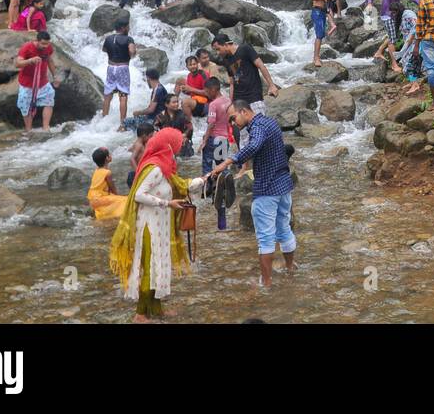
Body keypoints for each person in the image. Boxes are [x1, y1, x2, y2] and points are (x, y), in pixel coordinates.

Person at [108, 128, 207, 321]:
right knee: (150, 266)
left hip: (160, 224)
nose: (176, 151)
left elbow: (181, 185)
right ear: (167, 147)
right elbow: (138, 195)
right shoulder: (154, 168)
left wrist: (202, 180)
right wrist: (166, 203)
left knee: (159, 266)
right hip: (148, 226)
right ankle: (140, 314)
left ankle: (156, 308)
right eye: (175, 147)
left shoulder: (165, 168)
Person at [208, 100, 296, 288]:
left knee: (265, 238)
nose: (233, 123)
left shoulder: (256, 127)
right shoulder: (270, 122)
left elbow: (254, 146)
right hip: (283, 186)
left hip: (267, 189)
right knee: (284, 229)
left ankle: (266, 282)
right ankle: (290, 268)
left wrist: (227, 162)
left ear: (244, 111)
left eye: (233, 118)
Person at [366, 0, 420, 73]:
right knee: (393, 39)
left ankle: (379, 51)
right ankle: (394, 64)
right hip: (386, 14)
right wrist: (370, 2)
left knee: (392, 35)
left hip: (396, 14)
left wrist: (422, 4)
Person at [199, 77, 234, 230]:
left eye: (207, 91)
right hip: (225, 138)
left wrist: (204, 141)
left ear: (213, 89)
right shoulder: (227, 100)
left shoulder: (213, 104)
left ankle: (206, 188)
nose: (206, 93)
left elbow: (211, 124)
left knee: (207, 163)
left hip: (214, 139)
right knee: (223, 167)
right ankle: (224, 192)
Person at [212, 32, 280, 109]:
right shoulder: (226, 60)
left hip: (254, 96)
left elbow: (261, 66)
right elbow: (232, 83)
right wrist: (231, 103)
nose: (217, 53)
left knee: (258, 120)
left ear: (225, 45)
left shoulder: (245, 49)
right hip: (238, 101)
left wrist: (271, 85)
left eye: (218, 49)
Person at [15, 31, 57, 133]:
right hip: (27, 83)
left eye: (47, 43)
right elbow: (17, 63)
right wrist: (30, 60)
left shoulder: (48, 48)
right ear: (37, 41)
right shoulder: (27, 47)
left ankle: (46, 127)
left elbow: (50, 61)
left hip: (42, 81)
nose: (45, 46)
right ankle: (29, 130)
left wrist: (55, 76)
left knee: (49, 98)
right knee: (25, 105)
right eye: (43, 43)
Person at [102, 16, 136, 129]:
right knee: (123, 95)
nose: (129, 28)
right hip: (123, 68)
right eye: (128, 27)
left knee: (108, 94)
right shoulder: (128, 39)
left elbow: (104, 50)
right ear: (123, 28)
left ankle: (103, 119)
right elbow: (131, 51)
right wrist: (133, 52)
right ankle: (122, 124)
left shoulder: (108, 38)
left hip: (111, 67)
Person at [88, 147, 127, 220]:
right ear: (107, 158)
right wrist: (117, 198)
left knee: (115, 198)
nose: (111, 155)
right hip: (98, 199)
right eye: (109, 154)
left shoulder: (96, 170)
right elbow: (113, 189)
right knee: (125, 200)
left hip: (92, 198)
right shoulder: (107, 173)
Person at [308, 0, 333, 68]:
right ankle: (316, 58)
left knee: (321, 35)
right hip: (317, 11)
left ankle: (316, 57)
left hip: (322, 11)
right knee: (319, 35)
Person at [177, 54, 210, 120]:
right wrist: (185, 91)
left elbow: (208, 93)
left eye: (194, 64)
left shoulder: (203, 75)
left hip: (206, 104)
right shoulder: (189, 75)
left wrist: (191, 89)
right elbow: (191, 92)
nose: (193, 66)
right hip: (196, 102)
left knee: (185, 102)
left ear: (198, 64)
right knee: (179, 81)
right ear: (187, 67)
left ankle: (191, 125)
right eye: (190, 65)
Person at [127, 122, 155, 188]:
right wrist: (138, 172)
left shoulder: (140, 143)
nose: (151, 138)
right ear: (144, 136)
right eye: (150, 136)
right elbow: (132, 159)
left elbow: (130, 149)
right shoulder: (139, 145)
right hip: (138, 173)